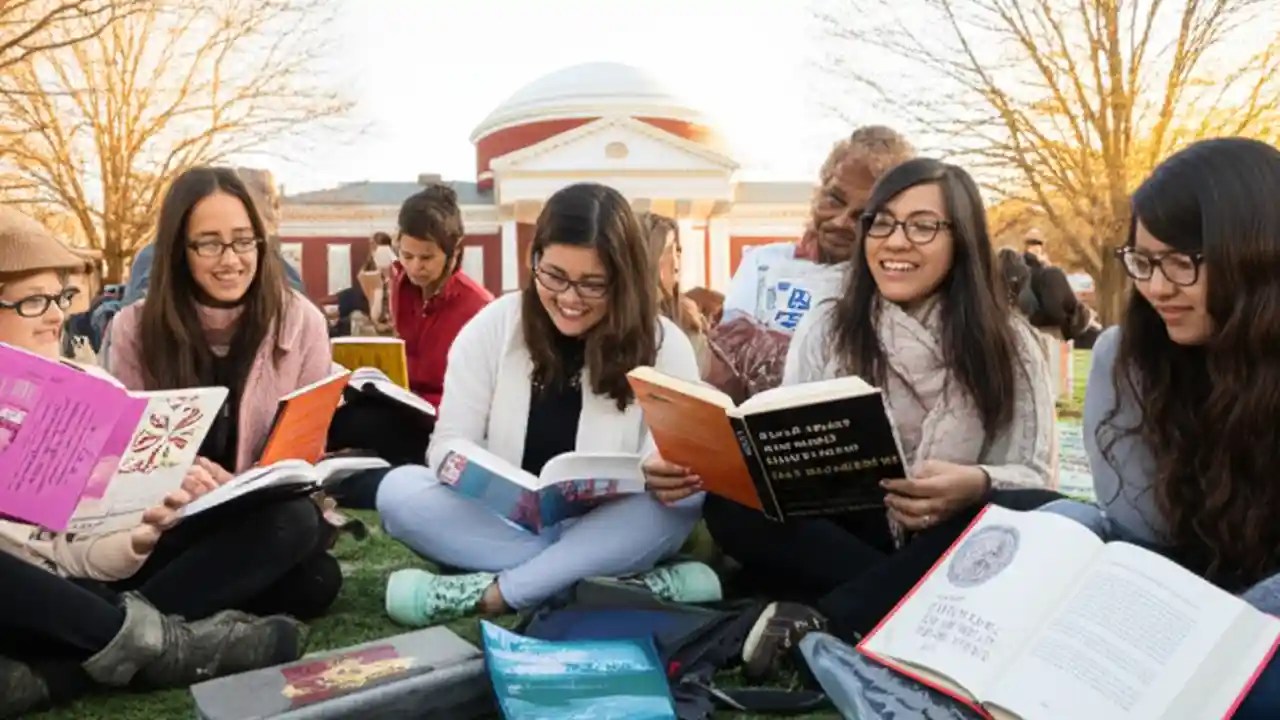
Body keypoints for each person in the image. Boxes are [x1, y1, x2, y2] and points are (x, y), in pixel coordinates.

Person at [710, 159, 1059, 678]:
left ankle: (829, 616)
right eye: (881, 223)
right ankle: (911, 610)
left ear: (961, 239)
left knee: (1039, 513)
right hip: (852, 527)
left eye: (922, 226)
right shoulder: (829, 326)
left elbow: (1035, 475)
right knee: (729, 504)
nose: (895, 242)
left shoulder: (1009, 344)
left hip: (949, 533)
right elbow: (787, 430)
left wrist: (974, 484)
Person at [0, 206, 304, 719]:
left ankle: (59, 673)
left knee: (294, 533)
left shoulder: (90, 390)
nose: (56, 315)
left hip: (85, 586)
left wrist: (137, 538)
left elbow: (75, 555)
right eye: (33, 301)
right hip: (17, 596)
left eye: (60, 297)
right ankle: (170, 651)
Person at [376, 183, 716, 627]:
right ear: (534, 259)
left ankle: (494, 593)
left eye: (593, 284)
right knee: (398, 490)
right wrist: (472, 473)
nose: (570, 298)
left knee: (680, 505)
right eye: (554, 276)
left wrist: (661, 470)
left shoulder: (662, 343)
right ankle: (616, 583)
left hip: (609, 524)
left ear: (625, 278)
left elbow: (672, 453)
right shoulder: (494, 326)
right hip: (506, 522)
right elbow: (448, 442)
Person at [1040, 137, 1280, 717]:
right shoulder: (1130, 355)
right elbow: (1138, 533)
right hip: (1176, 594)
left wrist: (1228, 635)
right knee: (1057, 524)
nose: (1156, 287)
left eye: (1182, 262)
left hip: (1259, 621)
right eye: (1143, 260)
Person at [104, 166, 342, 620]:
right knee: (301, 577)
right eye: (209, 243)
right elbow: (128, 453)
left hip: (258, 517)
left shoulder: (303, 321)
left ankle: (130, 617)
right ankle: (132, 625)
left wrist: (251, 486)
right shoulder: (134, 327)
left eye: (243, 240)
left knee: (313, 567)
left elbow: (306, 454)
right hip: (163, 523)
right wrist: (179, 472)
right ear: (179, 250)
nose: (230, 259)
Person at [707, 126, 915, 400]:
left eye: (863, 215)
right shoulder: (763, 262)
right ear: (819, 192)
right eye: (834, 199)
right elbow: (725, 360)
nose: (841, 221)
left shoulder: (890, 290)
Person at [388, 184, 493, 407]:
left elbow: (481, 394)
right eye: (407, 255)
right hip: (401, 402)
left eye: (426, 258)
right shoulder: (401, 286)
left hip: (445, 415)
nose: (415, 267)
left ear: (453, 253)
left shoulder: (479, 308)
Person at [636, 211, 709, 373]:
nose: (676, 264)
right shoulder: (618, 322)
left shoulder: (689, 319)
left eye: (678, 252)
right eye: (667, 251)